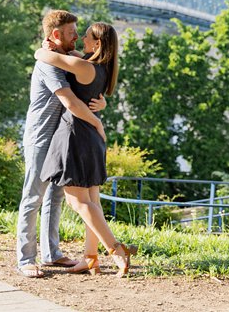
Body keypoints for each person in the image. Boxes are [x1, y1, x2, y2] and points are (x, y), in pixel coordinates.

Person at [36, 22, 137, 277]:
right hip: (92, 139)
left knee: (77, 201)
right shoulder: (101, 69)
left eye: (88, 37)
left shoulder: (82, 66)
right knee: (93, 202)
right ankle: (91, 258)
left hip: (75, 136)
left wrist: (45, 47)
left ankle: (116, 250)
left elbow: (42, 55)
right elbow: (75, 57)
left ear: (98, 44)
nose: (82, 39)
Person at [15, 10, 106, 278]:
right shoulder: (49, 64)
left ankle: (51, 253)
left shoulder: (63, 58)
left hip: (61, 140)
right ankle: (25, 259)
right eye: (71, 33)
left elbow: (87, 71)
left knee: (55, 197)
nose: (77, 37)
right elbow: (70, 101)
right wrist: (97, 123)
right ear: (56, 35)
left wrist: (103, 102)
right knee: (33, 197)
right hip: (40, 138)